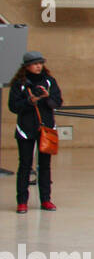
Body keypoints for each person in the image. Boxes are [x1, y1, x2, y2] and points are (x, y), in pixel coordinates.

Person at [8, 51, 62, 214]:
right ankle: (22, 202)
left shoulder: (49, 81)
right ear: (26, 66)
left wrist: (46, 98)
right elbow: (13, 107)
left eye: (40, 63)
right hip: (25, 129)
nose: (38, 66)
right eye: (35, 63)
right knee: (25, 165)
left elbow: (57, 102)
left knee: (45, 166)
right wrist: (29, 101)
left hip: (45, 129)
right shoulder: (19, 84)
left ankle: (46, 199)